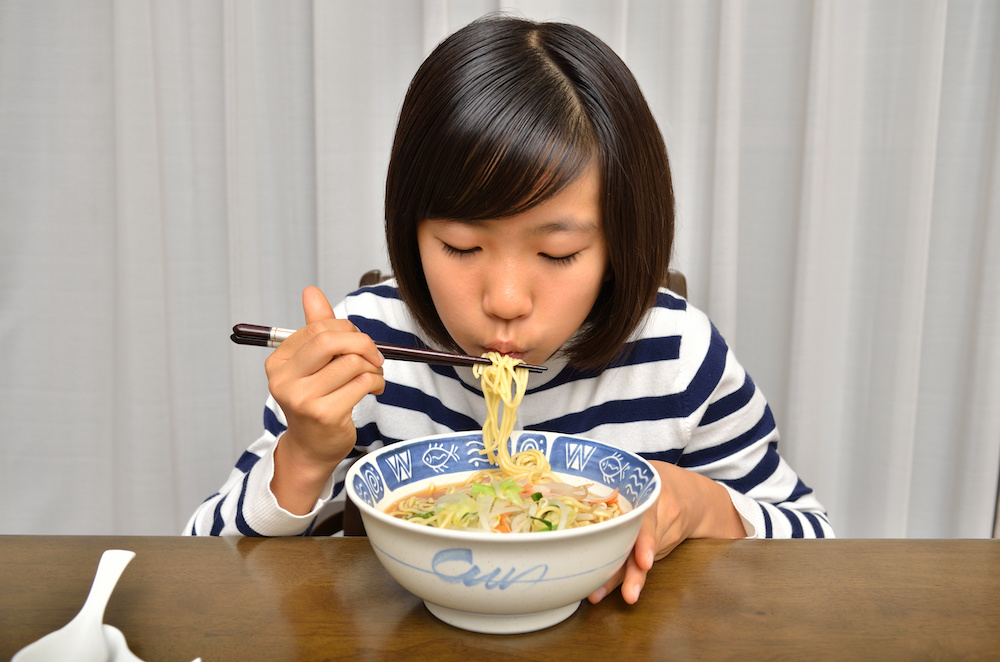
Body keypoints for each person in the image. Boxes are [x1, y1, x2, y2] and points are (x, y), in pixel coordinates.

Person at [186, 14, 833, 605]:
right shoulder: (365, 348)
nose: (505, 301)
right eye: (462, 246)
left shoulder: (676, 356)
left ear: (619, 241)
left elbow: (817, 544)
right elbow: (202, 559)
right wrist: (304, 455)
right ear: (411, 231)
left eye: (557, 253)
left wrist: (701, 505)